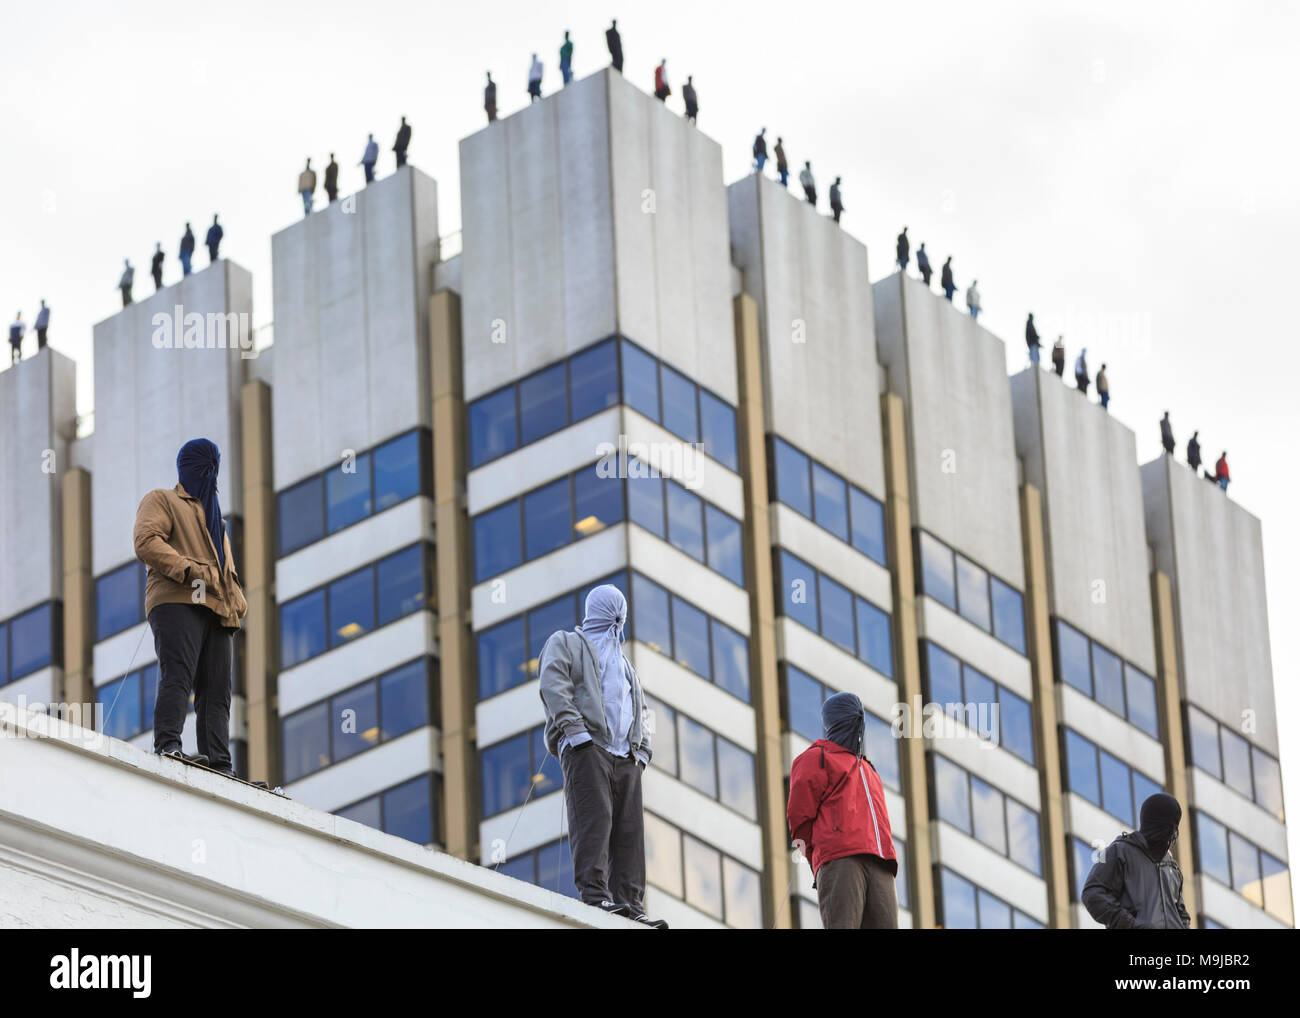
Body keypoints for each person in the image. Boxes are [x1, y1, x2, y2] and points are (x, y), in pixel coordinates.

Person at [538, 584, 666, 928]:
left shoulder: (626, 666)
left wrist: (641, 753)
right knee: (594, 820)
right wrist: (575, 731)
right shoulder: (567, 643)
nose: (617, 618)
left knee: (629, 831)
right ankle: (596, 895)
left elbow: (639, 709)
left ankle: (631, 903)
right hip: (587, 746)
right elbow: (553, 683)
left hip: (626, 757)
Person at [133, 439, 248, 776]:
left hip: (218, 609)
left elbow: (227, 572)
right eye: (203, 465)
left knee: (218, 692)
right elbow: (146, 540)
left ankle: (220, 764)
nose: (209, 473)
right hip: (177, 598)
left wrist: (236, 598)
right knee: (178, 674)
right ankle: (169, 744)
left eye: (213, 466)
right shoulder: (162, 500)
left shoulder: (219, 524)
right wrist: (187, 570)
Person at [787, 691, 898, 929]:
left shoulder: (869, 769)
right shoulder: (816, 758)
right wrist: (816, 857)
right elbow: (799, 817)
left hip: (880, 860)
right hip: (840, 858)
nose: (858, 720)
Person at [1082, 793, 1190, 929]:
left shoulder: (1172, 868)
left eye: (1174, 826)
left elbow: (1181, 913)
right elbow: (1093, 894)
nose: (1173, 832)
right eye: (1168, 825)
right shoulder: (1120, 852)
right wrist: (1130, 924)